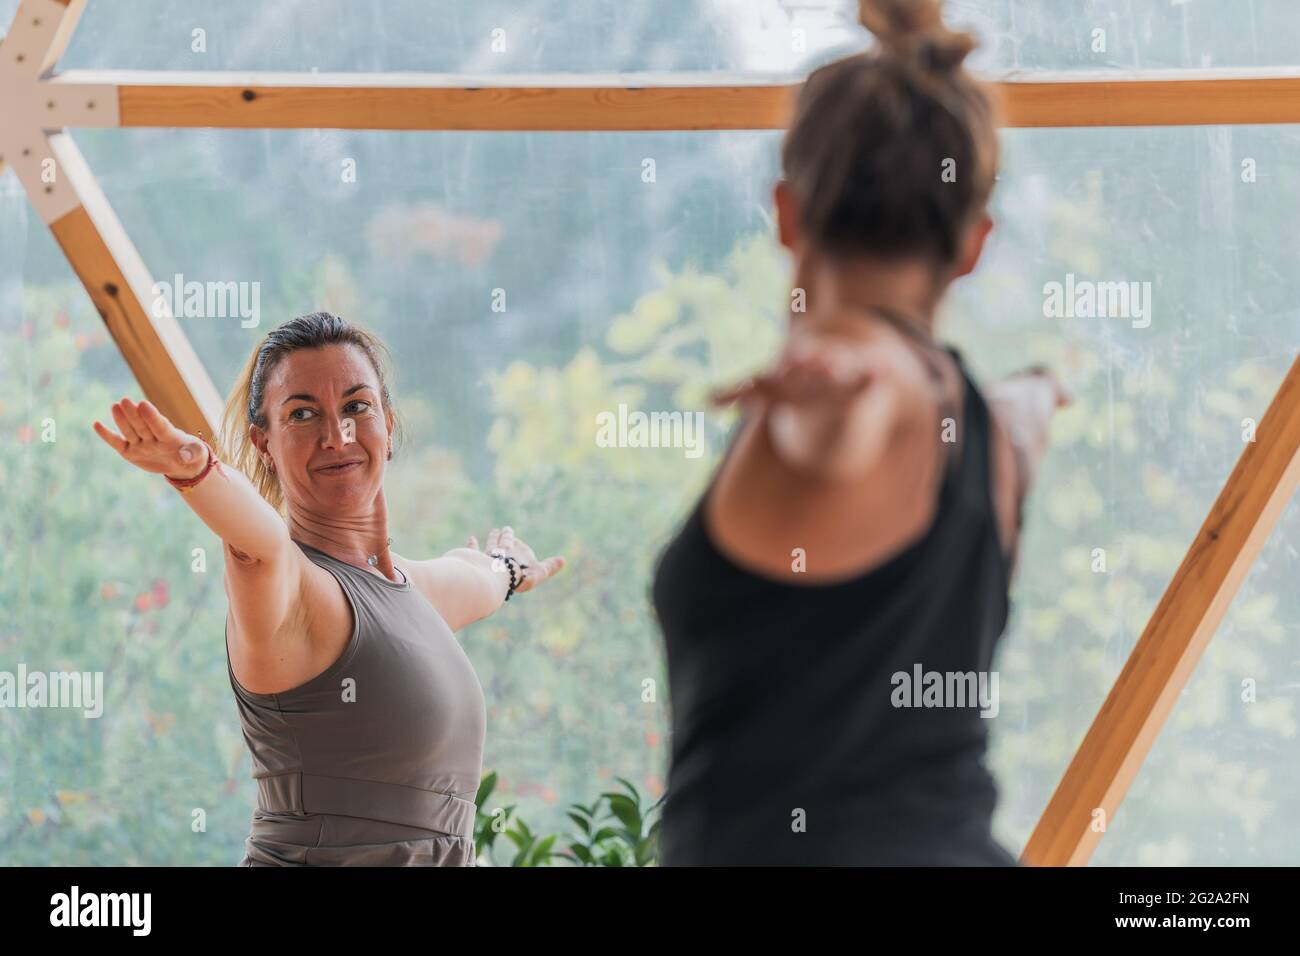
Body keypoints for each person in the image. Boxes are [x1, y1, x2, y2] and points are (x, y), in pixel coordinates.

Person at [651, 0, 1071, 865]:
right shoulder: (990, 429)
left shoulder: (850, 381)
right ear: (974, 245)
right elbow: (985, 423)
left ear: (787, 213)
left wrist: (836, 401)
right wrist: (1030, 400)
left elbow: (859, 415)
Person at [92, 311, 564, 865]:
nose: (336, 434)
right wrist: (196, 470)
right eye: (302, 414)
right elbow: (258, 541)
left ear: (386, 424)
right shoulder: (288, 586)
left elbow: (479, 578)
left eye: (356, 407)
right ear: (263, 442)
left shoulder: (411, 590)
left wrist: (510, 567)